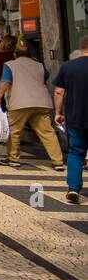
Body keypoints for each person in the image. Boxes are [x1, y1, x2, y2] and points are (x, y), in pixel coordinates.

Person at [0, 42, 65, 170]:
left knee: (15, 131)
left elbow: (5, 82)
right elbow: (45, 77)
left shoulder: (10, 65)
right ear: (30, 55)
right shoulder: (39, 65)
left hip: (20, 103)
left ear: (15, 55)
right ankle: (58, 161)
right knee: (47, 132)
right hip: (42, 103)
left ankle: (13, 159)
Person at [52, 34, 88, 203]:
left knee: (76, 152)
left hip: (75, 116)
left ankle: (73, 188)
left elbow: (59, 92)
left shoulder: (68, 66)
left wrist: (58, 113)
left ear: (82, 47)